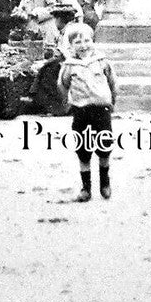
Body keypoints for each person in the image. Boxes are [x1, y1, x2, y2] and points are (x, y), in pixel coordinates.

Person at [57, 22, 117, 201]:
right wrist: (68, 102)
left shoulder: (102, 62)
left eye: (86, 41)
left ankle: (105, 183)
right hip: (81, 111)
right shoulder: (69, 65)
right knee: (83, 149)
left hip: (101, 110)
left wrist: (111, 101)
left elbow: (113, 83)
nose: (83, 46)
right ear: (71, 46)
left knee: (104, 146)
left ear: (93, 41)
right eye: (78, 42)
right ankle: (86, 188)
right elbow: (62, 84)